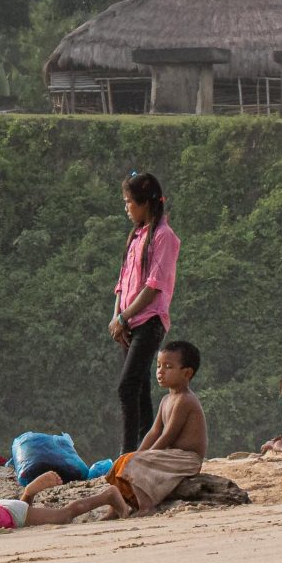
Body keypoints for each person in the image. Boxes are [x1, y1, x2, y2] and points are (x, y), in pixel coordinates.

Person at [38, 340, 210, 526]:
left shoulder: (185, 400)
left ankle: (146, 505)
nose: (160, 372)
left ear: (187, 373)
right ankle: (116, 508)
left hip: (187, 458)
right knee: (124, 461)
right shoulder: (166, 400)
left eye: (168, 367)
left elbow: (168, 435)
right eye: (158, 366)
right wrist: (136, 454)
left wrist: (143, 457)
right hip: (171, 455)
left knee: (136, 462)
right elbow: (154, 432)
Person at [107, 171, 180, 453]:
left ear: (145, 202)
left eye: (129, 202)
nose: (126, 208)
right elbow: (122, 282)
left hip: (149, 320)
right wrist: (118, 318)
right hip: (128, 322)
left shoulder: (164, 236)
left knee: (127, 386)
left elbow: (153, 286)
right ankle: (147, 451)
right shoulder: (136, 236)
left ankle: (128, 453)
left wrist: (123, 317)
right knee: (139, 388)